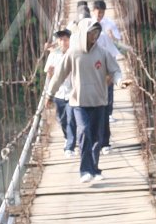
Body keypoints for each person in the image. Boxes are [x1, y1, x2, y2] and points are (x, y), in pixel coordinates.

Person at [45, 18, 120, 184]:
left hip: (99, 102)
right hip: (79, 102)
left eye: (96, 33)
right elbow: (58, 76)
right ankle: (85, 170)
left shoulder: (102, 52)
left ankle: (94, 169)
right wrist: (50, 94)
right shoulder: (73, 53)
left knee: (96, 138)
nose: (94, 36)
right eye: (91, 33)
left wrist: (121, 81)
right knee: (84, 132)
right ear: (83, 34)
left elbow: (115, 70)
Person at [92, 0, 125, 153]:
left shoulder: (107, 28)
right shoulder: (83, 27)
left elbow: (117, 46)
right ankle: (94, 142)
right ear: (92, 11)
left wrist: (114, 75)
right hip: (89, 76)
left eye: (102, 13)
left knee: (104, 108)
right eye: (97, 12)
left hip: (104, 72)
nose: (99, 15)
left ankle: (104, 143)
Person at [44, 29, 76, 158]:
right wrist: (48, 94)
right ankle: (67, 137)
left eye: (66, 40)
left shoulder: (74, 54)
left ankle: (70, 147)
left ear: (70, 41)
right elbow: (49, 75)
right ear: (58, 41)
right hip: (58, 93)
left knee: (71, 118)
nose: (63, 42)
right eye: (61, 40)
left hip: (73, 92)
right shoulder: (53, 55)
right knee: (62, 120)